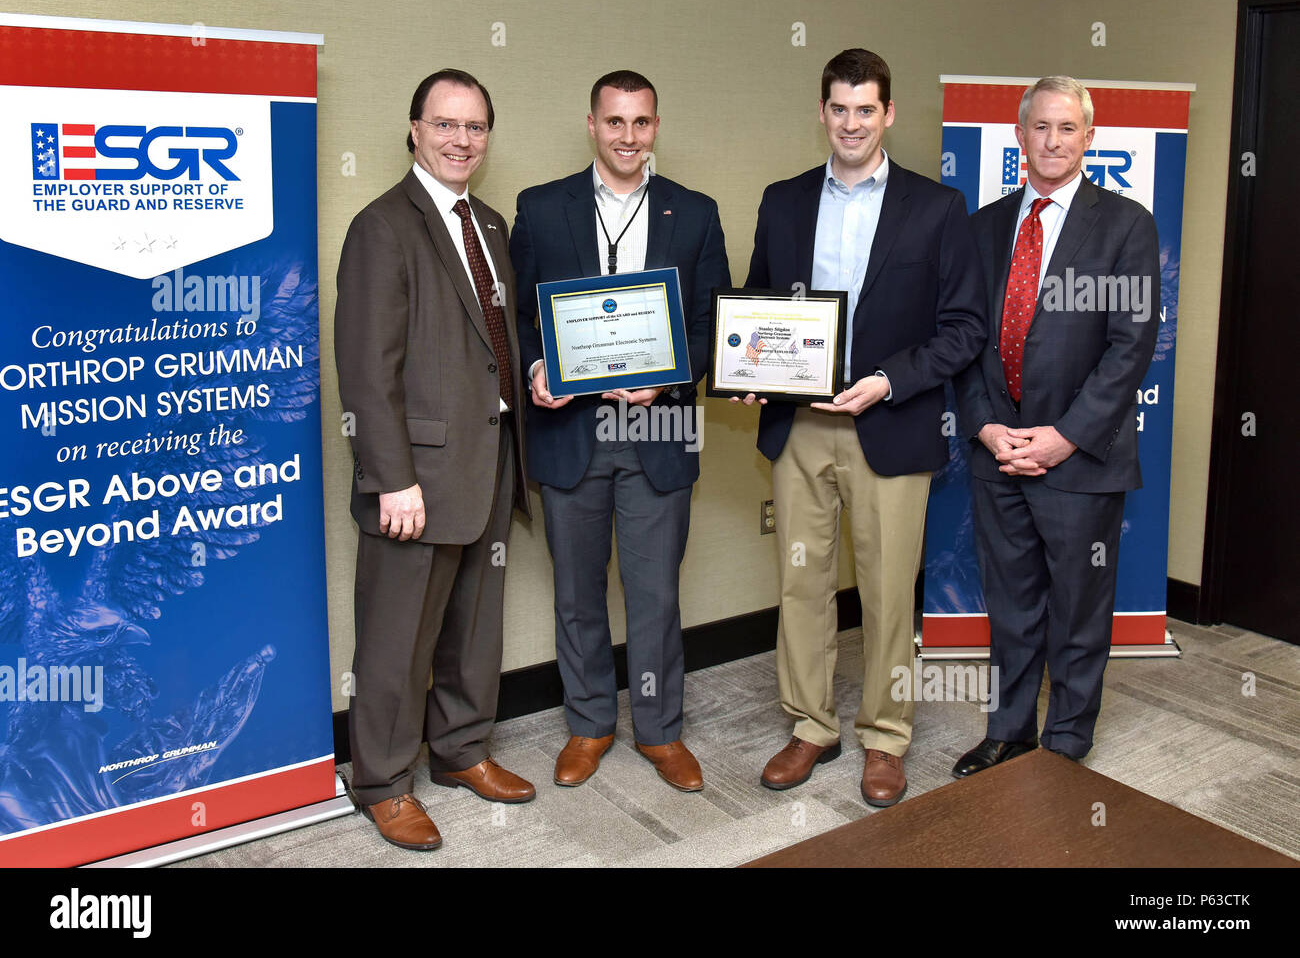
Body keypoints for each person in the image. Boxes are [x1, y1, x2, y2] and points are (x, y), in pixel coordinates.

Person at [738, 48, 985, 806]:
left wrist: (887, 381)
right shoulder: (782, 200)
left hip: (893, 424)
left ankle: (886, 736)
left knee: (886, 593)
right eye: (839, 108)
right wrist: (750, 369)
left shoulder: (937, 207)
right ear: (823, 112)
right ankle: (812, 725)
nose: (852, 122)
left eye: (866, 109)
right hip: (801, 428)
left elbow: (963, 327)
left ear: (889, 114)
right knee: (802, 584)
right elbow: (755, 302)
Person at [511, 70, 730, 792]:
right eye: (615, 122)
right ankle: (589, 724)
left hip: (657, 428)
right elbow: (514, 316)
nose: (628, 137)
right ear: (592, 124)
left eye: (641, 123)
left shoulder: (693, 213)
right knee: (577, 593)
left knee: (655, 593)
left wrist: (668, 378)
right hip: (570, 431)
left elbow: (709, 325)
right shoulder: (541, 209)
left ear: (656, 127)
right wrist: (539, 364)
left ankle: (661, 731)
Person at [335, 69, 534, 851]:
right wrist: (392, 479)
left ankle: (460, 751)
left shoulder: (488, 223)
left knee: (474, 629)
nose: (461, 140)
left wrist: (534, 382)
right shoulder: (382, 226)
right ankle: (382, 781)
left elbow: (493, 346)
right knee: (396, 638)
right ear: (414, 129)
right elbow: (366, 368)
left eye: (476, 127)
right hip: (414, 479)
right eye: (445, 124)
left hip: (490, 462)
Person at [952, 76, 1159, 775]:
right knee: (1010, 606)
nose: (1053, 140)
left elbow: (1131, 346)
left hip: (1080, 456)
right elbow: (965, 338)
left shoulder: (1127, 224)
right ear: (1020, 136)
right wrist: (984, 427)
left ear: (1089, 138)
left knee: (1076, 610)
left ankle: (1066, 744)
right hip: (996, 452)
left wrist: (1063, 437)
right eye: (1040, 127)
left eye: (1067, 128)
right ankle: (1010, 732)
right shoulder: (982, 227)